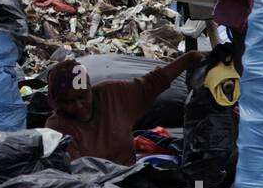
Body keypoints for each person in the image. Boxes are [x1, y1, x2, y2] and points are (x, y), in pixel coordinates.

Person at [45, 49, 208, 165]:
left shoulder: (112, 95)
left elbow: (152, 83)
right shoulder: (56, 127)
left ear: (89, 88)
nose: (79, 106)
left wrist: (187, 59)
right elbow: (76, 173)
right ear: (57, 103)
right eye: (68, 102)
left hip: (130, 180)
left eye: (82, 97)